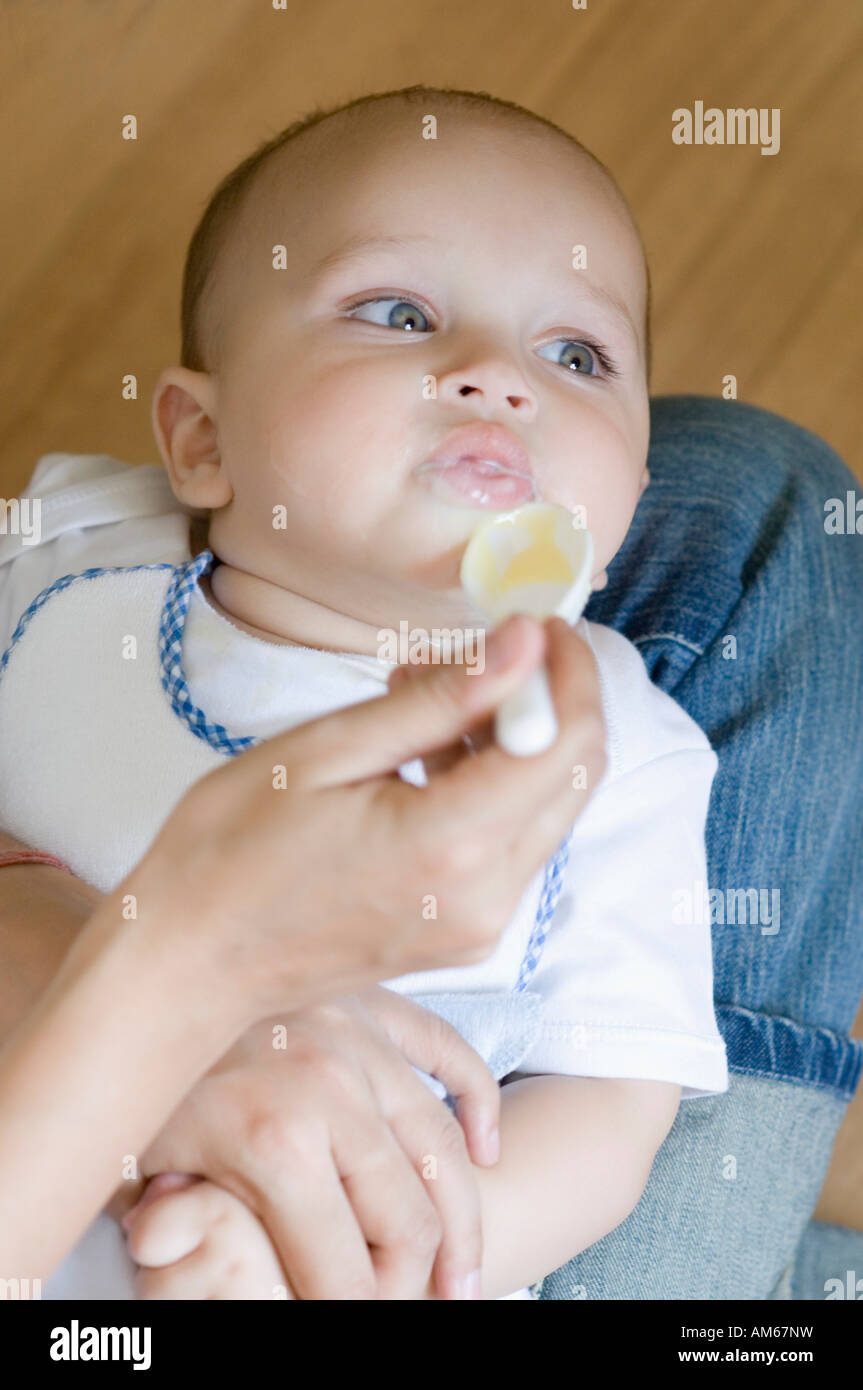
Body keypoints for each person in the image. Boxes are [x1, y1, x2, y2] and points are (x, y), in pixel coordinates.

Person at [2, 83, 861, 1300]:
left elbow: (609, 1110)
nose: (495, 377)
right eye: (398, 313)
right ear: (199, 442)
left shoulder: (612, 746)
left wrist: (395, 1262)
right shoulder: (70, 563)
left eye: (575, 354)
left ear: (612, 528)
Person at [0, 609, 600, 1290]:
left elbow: (610, 1107)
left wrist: (358, 1254)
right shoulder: (62, 592)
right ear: (202, 492)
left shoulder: (625, 732)